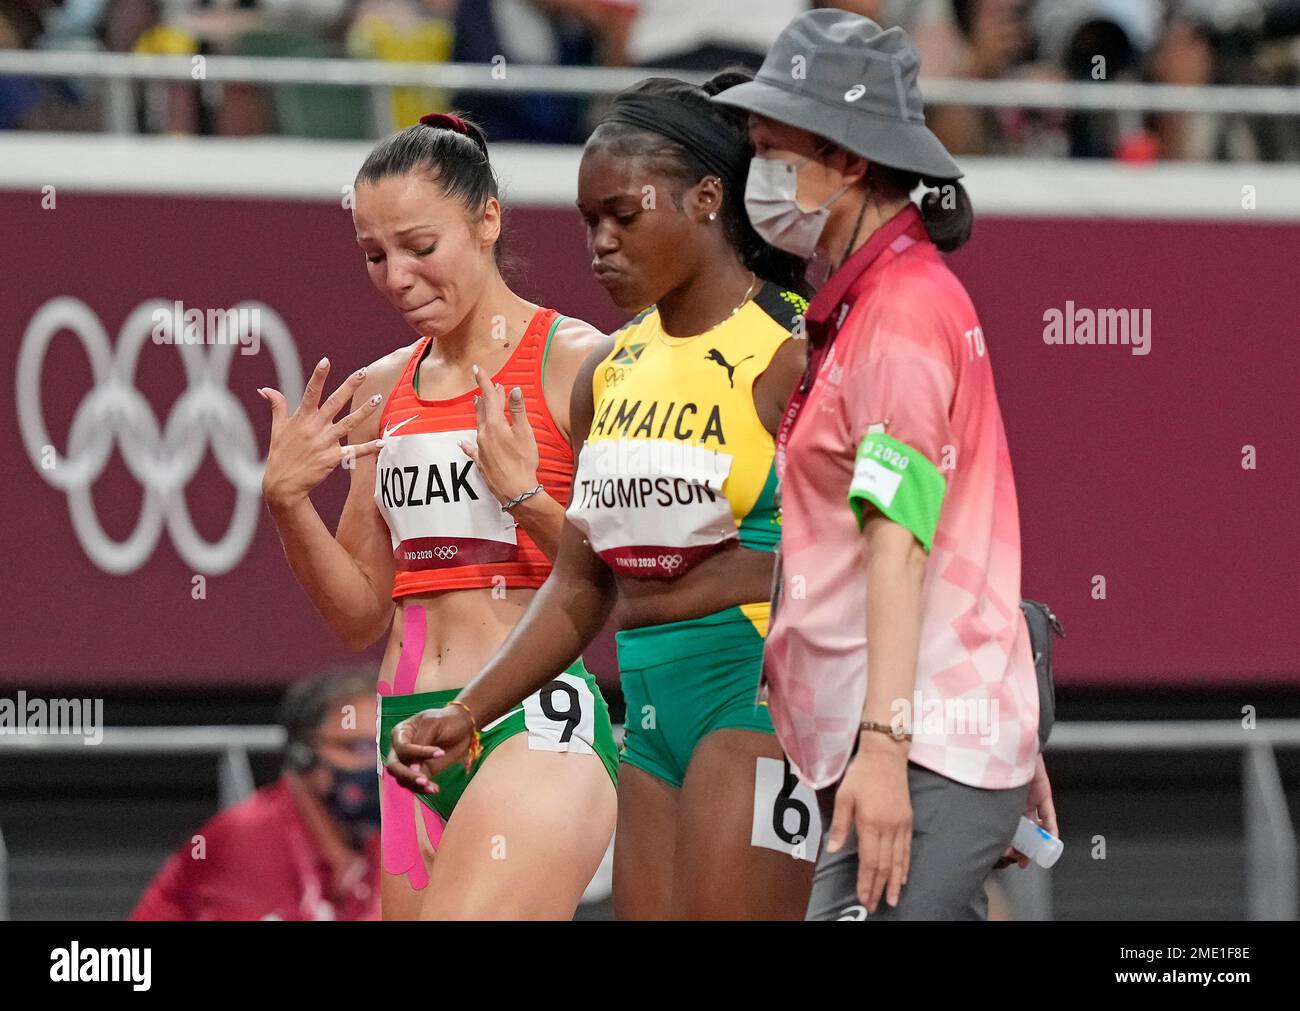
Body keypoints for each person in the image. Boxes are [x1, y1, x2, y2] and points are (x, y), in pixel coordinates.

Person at [386, 74, 819, 919]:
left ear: (706, 199)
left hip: (759, 696)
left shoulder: (793, 349)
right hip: (649, 721)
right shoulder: (608, 371)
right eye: (589, 222)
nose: (601, 244)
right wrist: (468, 712)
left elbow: (863, 550)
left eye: (625, 216)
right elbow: (585, 582)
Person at [711, 8, 1057, 920]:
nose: (758, 174)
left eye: (772, 147)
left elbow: (900, 543)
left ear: (850, 159)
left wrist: (887, 748)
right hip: (913, 734)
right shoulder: (867, 307)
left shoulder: (901, 317)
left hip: (914, 745)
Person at [258, 111, 617, 920]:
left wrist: (524, 492)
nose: (397, 277)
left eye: (421, 247)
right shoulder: (383, 391)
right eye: (374, 255)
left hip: (532, 724)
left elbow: (621, 574)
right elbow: (358, 613)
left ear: (488, 218)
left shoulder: (578, 362)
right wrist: (287, 505)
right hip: (408, 739)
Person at [131, 673, 381, 921]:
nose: (382, 766)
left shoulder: (377, 841)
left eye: (389, 748)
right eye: (361, 748)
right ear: (303, 754)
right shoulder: (247, 836)